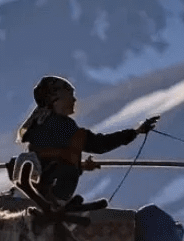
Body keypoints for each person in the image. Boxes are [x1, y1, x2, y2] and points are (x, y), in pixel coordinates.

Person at [15, 75, 160, 204]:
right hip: (51, 196)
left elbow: (48, 157)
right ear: (56, 99)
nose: (74, 99)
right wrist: (136, 132)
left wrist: (81, 165)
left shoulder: (38, 124)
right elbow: (99, 144)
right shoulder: (62, 125)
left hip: (38, 189)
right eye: (70, 95)